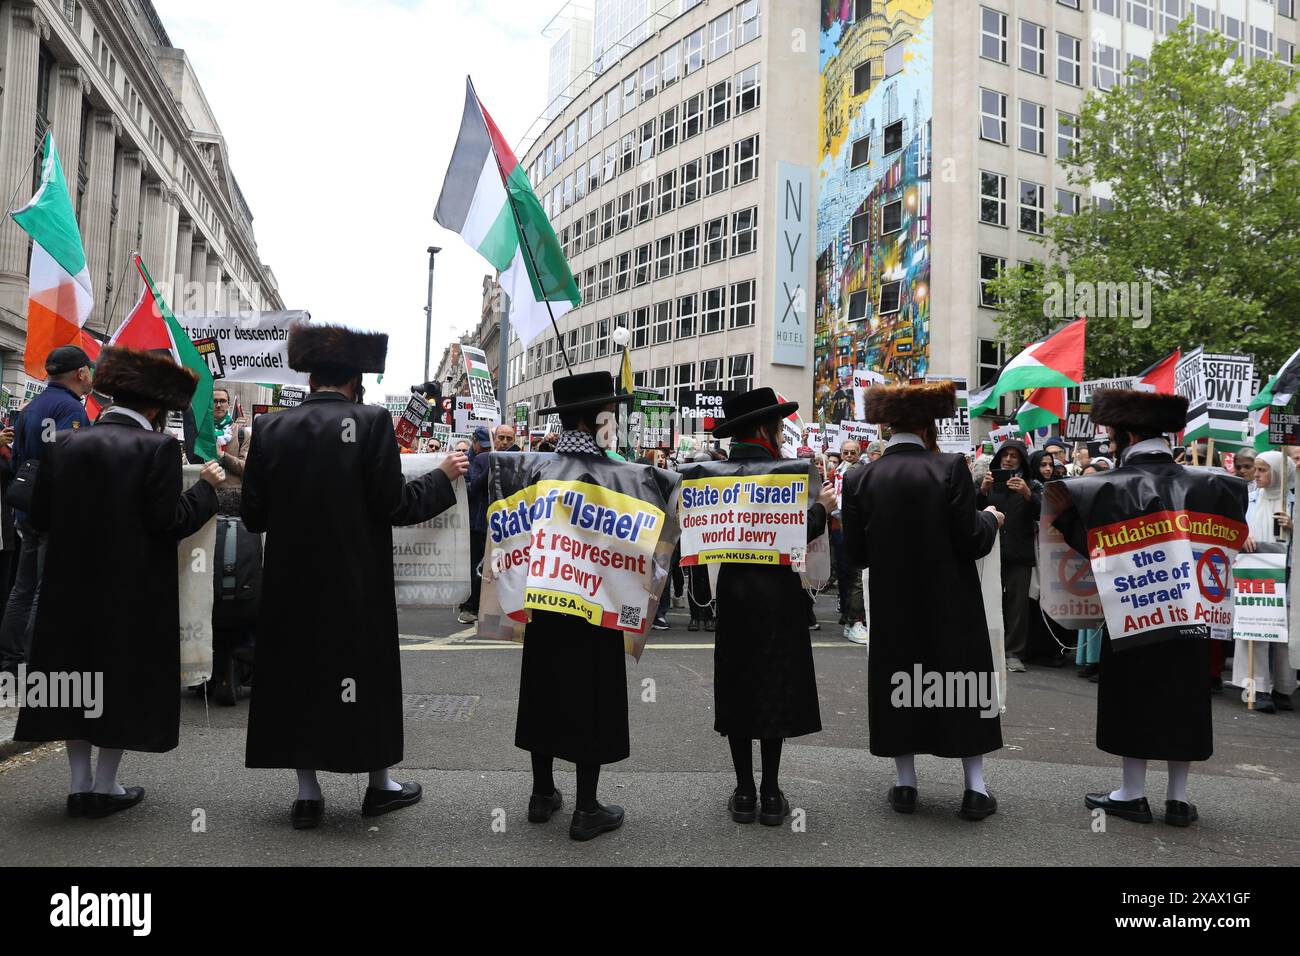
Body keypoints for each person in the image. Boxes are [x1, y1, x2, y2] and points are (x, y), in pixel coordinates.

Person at [241, 325, 468, 829]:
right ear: (355, 380)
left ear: (313, 375)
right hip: (354, 582)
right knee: (363, 677)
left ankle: (307, 793)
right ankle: (379, 783)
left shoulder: (271, 429)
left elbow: (254, 514)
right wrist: (443, 477)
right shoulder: (371, 423)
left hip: (290, 581)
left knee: (297, 675)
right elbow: (395, 504)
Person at [15, 348, 223, 817]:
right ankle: (105, 786)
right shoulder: (159, 448)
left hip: (68, 586)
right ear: (154, 407)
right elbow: (167, 521)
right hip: (131, 591)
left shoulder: (65, 444)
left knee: (77, 676)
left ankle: (78, 784)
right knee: (120, 681)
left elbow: (42, 515)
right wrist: (206, 490)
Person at [1049, 389, 1249, 827]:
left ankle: (1132, 793)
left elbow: (1094, 552)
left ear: (1125, 433)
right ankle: (1178, 800)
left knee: (1133, 698)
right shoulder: (1213, 483)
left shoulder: (1106, 486)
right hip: (1195, 614)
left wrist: (1064, 519)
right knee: (1186, 699)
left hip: (1134, 614)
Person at [841, 381, 1005, 821]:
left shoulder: (858, 477)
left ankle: (906, 785)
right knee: (963, 683)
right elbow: (971, 540)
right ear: (930, 426)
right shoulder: (951, 466)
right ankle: (974, 789)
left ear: (887, 425)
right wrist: (990, 519)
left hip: (894, 604)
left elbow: (855, 555)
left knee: (900, 681)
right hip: (951, 601)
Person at [514, 372, 638, 841]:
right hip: (595, 605)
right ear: (600, 418)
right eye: (612, 414)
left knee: (543, 687)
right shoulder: (621, 475)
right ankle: (587, 806)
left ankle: (542, 794)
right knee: (593, 695)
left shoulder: (534, 470)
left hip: (545, 603)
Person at [710, 389, 835, 825]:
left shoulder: (714, 473)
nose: (782, 435)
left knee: (738, 682)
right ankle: (770, 790)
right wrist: (821, 508)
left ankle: (744, 791)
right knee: (774, 684)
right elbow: (792, 532)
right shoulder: (785, 471)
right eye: (779, 428)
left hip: (734, 589)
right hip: (777, 592)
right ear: (765, 429)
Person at [0, 347, 94, 675]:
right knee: (45, 587)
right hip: (56, 511)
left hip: (26, 512)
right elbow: (77, 465)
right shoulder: (73, 411)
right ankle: (36, 659)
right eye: (89, 370)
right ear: (80, 373)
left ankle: (9, 660)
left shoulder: (28, 409)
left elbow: (15, 461)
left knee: (22, 588)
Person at [1231, 450, 1295, 713]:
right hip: (1254, 573)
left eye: (1262, 470)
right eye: (1255, 469)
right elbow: (1233, 526)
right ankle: (1256, 687)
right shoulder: (1248, 497)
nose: (1255, 475)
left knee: (1284, 634)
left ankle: (1283, 687)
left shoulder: (1293, 500)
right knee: (1254, 631)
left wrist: (1294, 526)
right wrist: (1241, 535)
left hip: (1288, 574)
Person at [976, 439, 1041, 672]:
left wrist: (1027, 493)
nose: (1009, 459)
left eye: (1014, 455)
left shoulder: (1031, 484)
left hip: (1019, 554)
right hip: (990, 552)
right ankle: (986, 649)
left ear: (1022, 459)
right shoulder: (988, 482)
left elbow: (1043, 512)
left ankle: (1013, 653)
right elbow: (968, 510)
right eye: (1005, 455)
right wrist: (982, 491)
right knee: (987, 602)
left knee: (1017, 608)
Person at [458, 426, 493, 625]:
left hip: (489, 521)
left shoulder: (495, 458)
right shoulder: (468, 460)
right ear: (475, 442)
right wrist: (487, 469)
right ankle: (470, 604)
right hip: (472, 522)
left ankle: (478, 604)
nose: (485, 450)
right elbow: (468, 490)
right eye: (483, 446)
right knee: (473, 566)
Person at [213, 387, 252, 490]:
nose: (218, 405)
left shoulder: (243, 434)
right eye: (214, 401)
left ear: (228, 404)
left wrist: (222, 456)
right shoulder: (201, 433)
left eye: (222, 401)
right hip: (205, 494)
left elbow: (246, 468)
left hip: (232, 495)